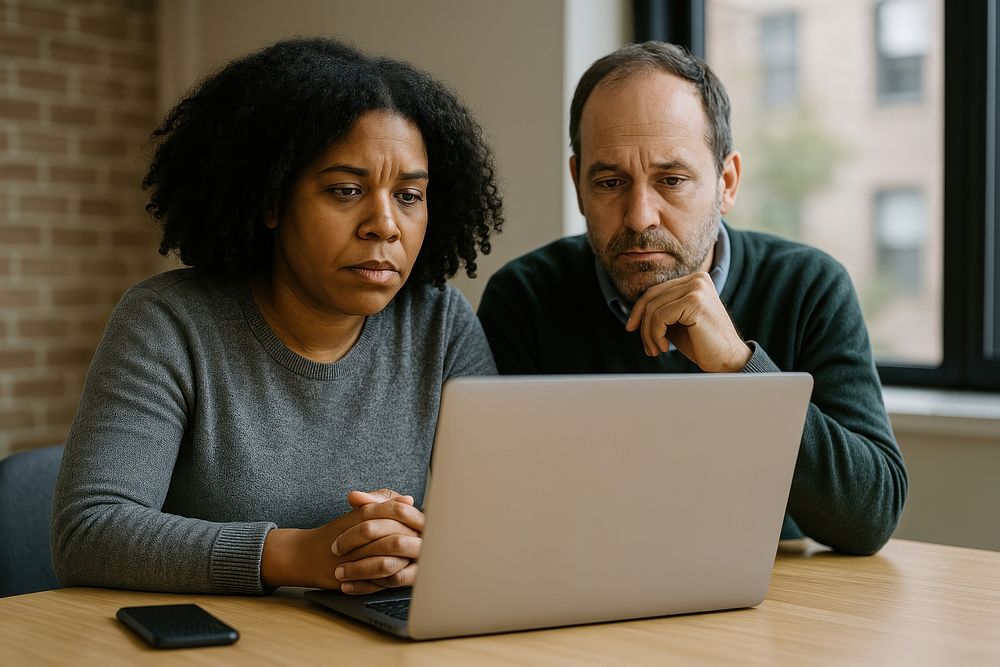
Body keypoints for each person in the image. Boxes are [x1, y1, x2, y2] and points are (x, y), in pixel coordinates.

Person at [52, 37, 503, 595]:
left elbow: (501, 513)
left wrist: (414, 543)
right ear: (269, 200)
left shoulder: (439, 323)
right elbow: (89, 533)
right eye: (346, 190)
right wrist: (297, 554)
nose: (385, 225)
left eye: (409, 196)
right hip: (214, 635)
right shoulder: (168, 323)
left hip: (371, 628)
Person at [477, 42, 906, 555]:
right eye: (610, 182)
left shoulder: (807, 287)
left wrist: (740, 368)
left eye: (672, 180)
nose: (640, 216)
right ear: (578, 185)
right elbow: (499, 509)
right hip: (584, 584)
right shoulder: (524, 298)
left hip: (770, 594)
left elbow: (870, 517)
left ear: (727, 183)